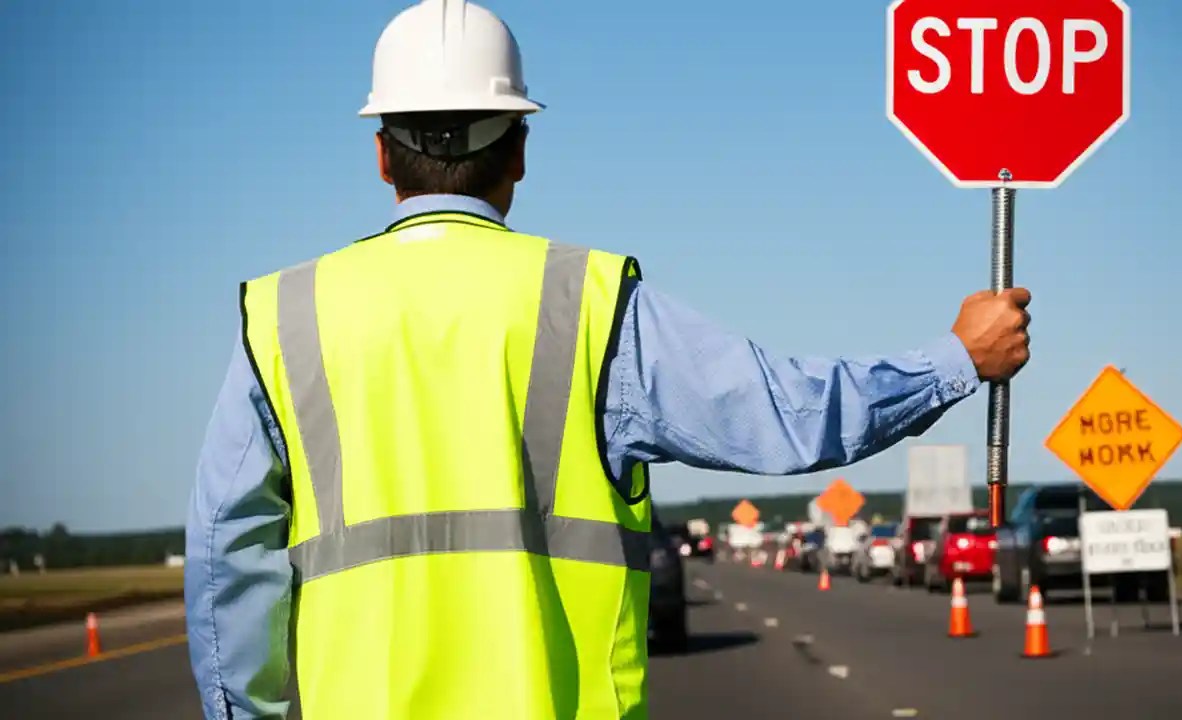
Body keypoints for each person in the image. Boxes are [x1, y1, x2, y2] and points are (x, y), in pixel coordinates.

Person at [183, 1, 1031, 718]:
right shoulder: (584, 301)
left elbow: (227, 560)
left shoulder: (284, 315)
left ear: (380, 155)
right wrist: (957, 359)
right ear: (520, 150)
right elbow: (786, 415)